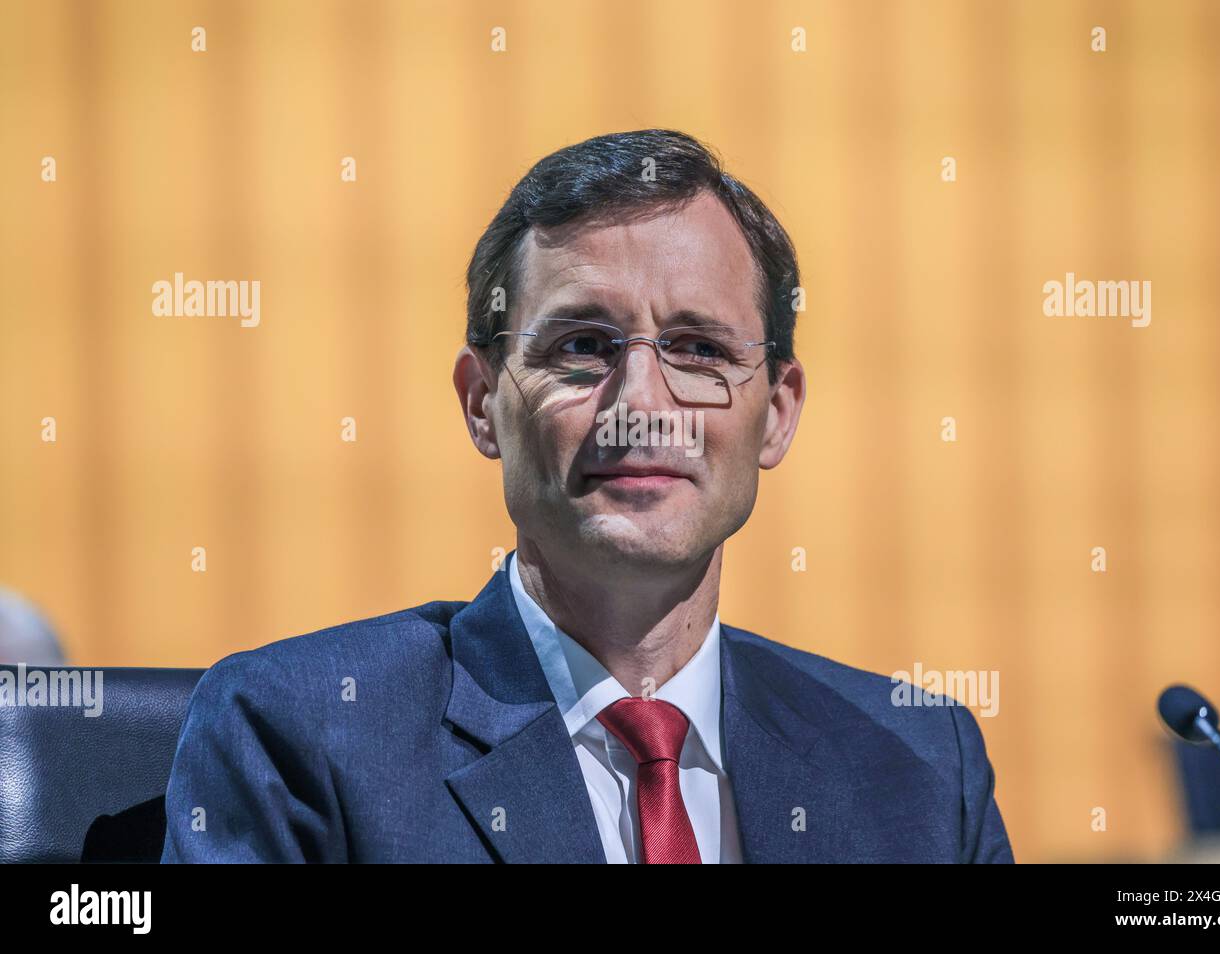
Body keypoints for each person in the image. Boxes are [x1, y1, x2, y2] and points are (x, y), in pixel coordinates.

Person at [161, 128, 1013, 863]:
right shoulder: (300, 734)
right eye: (582, 345)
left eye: (698, 349)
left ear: (777, 414)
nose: (642, 403)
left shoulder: (921, 772)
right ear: (482, 403)